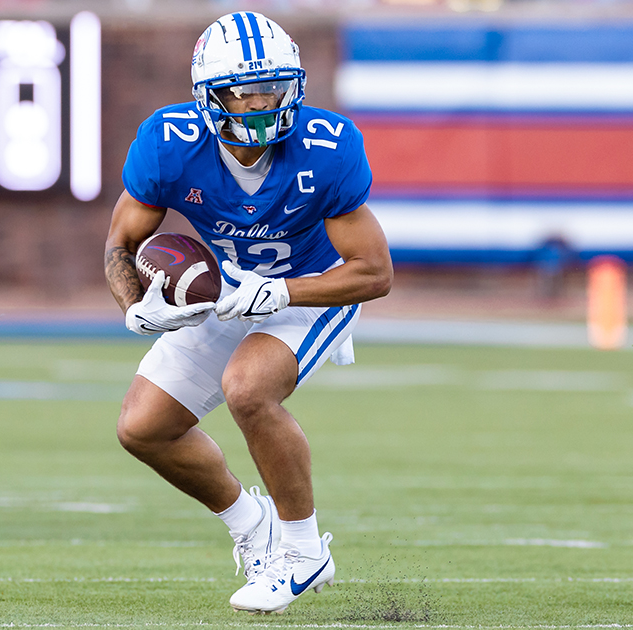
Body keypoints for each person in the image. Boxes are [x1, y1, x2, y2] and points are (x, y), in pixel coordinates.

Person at [103, 12, 392, 614]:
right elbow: (120, 245)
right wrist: (137, 307)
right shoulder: (169, 145)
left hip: (312, 290)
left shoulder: (326, 147)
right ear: (209, 98)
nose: (264, 105)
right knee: (143, 428)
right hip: (230, 288)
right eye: (247, 92)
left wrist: (284, 291)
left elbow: (372, 271)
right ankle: (249, 523)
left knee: (248, 388)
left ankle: (303, 551)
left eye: (274, 88)